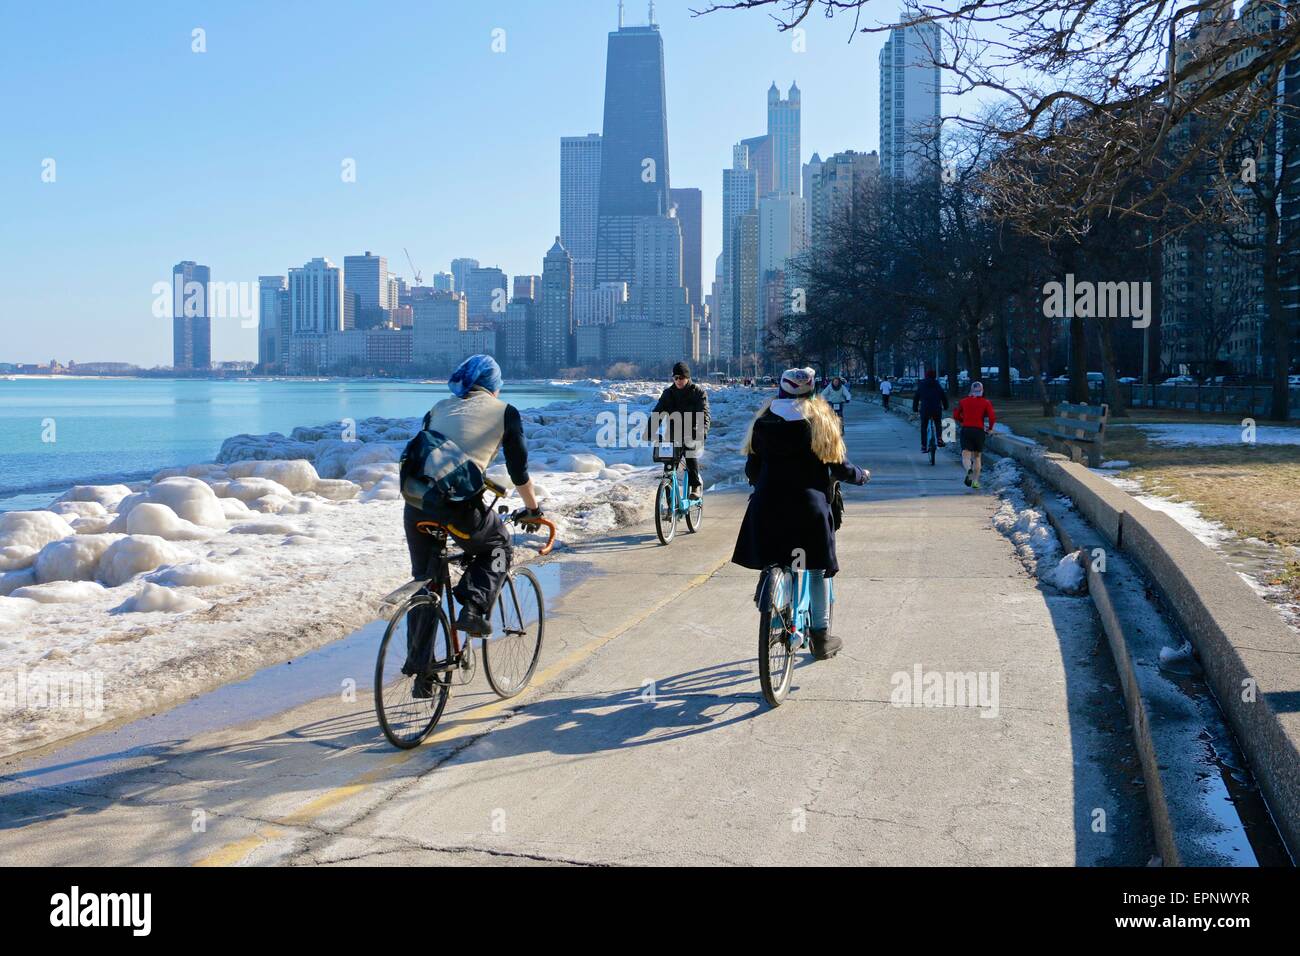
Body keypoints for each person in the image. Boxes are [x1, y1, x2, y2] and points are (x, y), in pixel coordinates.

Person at [403, 355, 543, 652]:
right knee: (498, 546)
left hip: (415, 504)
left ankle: (420, 669)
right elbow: (518, 472)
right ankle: (473, 609)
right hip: (458, 508)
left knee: (425, 581)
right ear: (494, 386)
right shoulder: (505, 412)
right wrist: (533, 509)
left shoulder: (438, 408)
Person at [731, 368, 869, 660]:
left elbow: (751, 469)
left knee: (778, 555)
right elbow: (840, 468)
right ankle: (820, 638)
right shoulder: (821, 420)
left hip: (768, 507)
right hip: (808, 509)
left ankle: (772, 586)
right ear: (812, 391)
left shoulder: (764, 420)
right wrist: (861, 475)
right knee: (816, 568)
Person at [649, 361, 711, 497]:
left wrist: (701, 433)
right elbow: (657, 413)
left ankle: (695, 487)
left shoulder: (698, 393)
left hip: (692, 432)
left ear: (687, 377)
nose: (678, 380)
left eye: (681, 377)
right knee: (668, 471)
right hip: (672, 435)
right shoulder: (668, 394)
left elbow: (704, 415)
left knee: (690, 454)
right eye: (675, 378)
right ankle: (670, 506)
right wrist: (650, 431)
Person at [953, 380, 996, 489]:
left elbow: (956, 415)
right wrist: (990, 428)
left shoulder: (963, 401)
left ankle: (968, 470)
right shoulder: (986, 402)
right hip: (979, 431)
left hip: (967, 429)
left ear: (971, 390)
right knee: (977, 457)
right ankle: (975, 482)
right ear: (982, 391)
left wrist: (962, 420)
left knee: (965, 455)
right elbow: (992, 417)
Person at [911, 368, 949, 454]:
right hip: (936, 408)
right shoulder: (937, 384)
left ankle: (924, 446)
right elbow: (943, 397)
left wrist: (915, 409)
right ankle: (939, 439)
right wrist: (946, 406)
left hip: (925, 409)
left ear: (926, 376)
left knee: (924, 427)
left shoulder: (922, 385)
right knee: (938, 423)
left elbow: (916, 397)